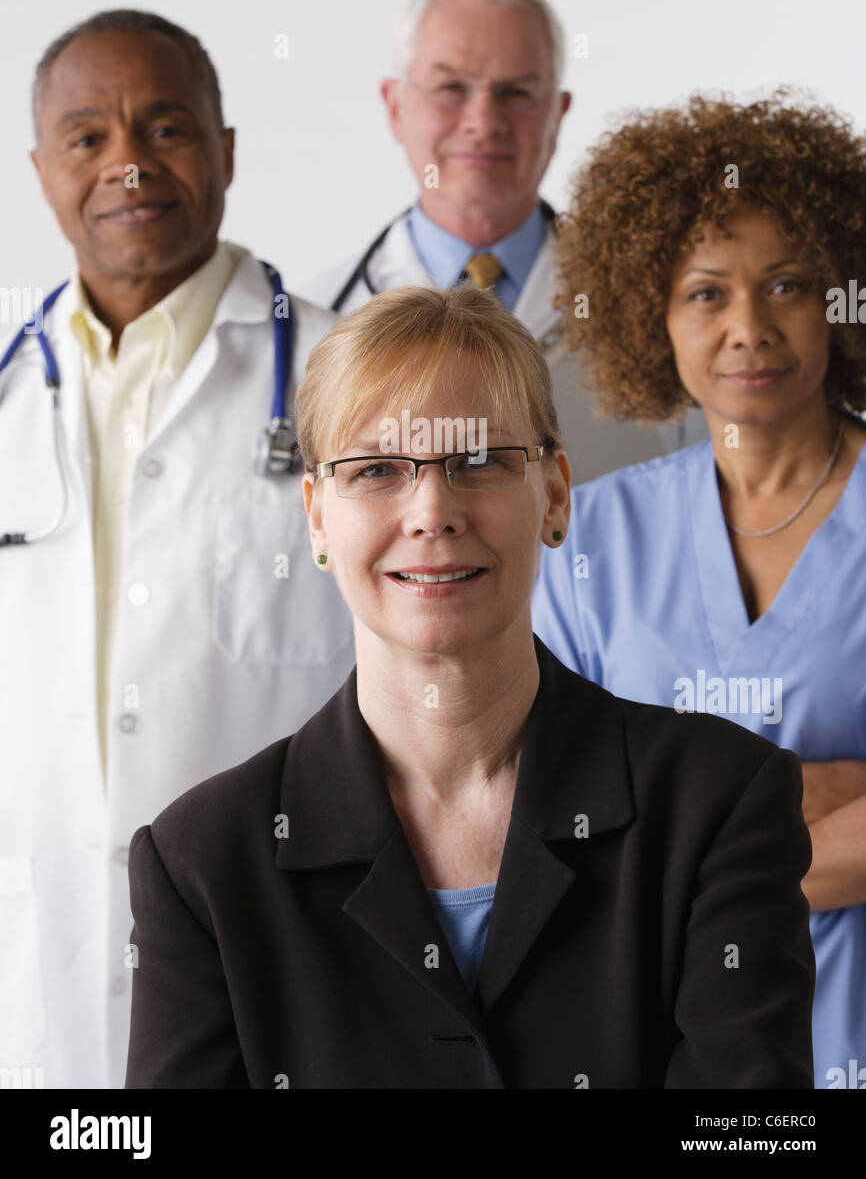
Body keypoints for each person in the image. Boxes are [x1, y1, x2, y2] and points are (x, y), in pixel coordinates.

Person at [125, 282, 813, 1089]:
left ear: (555, 495)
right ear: (316, 517)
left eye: (478, 461)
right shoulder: (199, 862)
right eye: (378, 469)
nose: (432, 511)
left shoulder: (719, 801)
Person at [0, 10, 354, 1089]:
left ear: (228, 149)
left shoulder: (347, 368)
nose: (129, 165)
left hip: (289, 929)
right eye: (87, 138)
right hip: (37, 959)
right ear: (40, 167)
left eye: (166, 128)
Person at [530, 89, 866, 1089]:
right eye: (705, 292)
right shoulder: (589, 539)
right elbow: (543, 821)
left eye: (787, 284)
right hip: (655, 1047)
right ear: (652, 315)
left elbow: (621, 846)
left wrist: (686, 852)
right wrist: (815, 800)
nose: (747, 325)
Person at [301, 0, 705, 479]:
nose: (483, 120)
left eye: (516, 92)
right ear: (395, 106)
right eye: (450, 87)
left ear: (557, 115)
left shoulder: (650, 310)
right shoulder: (316, 322)